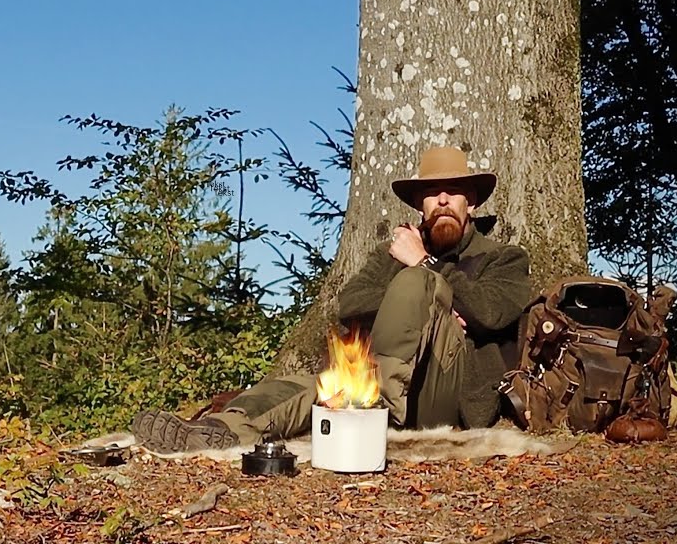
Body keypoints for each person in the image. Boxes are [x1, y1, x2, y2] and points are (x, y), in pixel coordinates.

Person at [131, 146, 531, 453]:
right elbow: (351, 303)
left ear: (472, 203)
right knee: (309, 385)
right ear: (420, 206)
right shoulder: (391, 255)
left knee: (416, 284)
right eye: (432, 193)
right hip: (375, 378)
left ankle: (377, 411)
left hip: (444, 398)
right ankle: (221, 430)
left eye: (454, 191)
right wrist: (422, 304)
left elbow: (491, 313)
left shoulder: (504, 258)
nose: (442, 200)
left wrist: (426, 275)